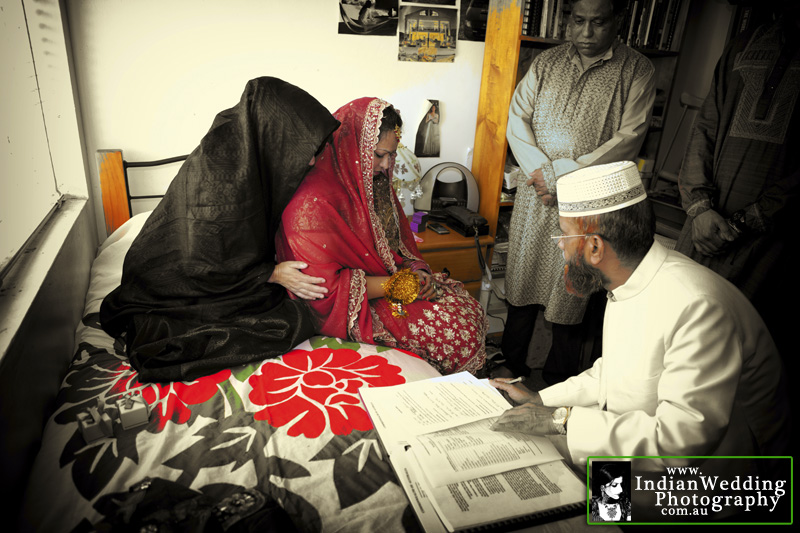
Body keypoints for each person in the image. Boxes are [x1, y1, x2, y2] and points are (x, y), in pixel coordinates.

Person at [491, 161, 790, 475]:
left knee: (565, 501)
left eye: (564, 237)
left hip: (706, 489)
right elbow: (616, 373)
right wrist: (541, 399)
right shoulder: (631, 281)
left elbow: (681, 444)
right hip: (634, 451)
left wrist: (559, 418)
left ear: (594, 246)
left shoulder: (698, 308)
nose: (561, 249)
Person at [100, 77, 340, 383]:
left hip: (231, 277)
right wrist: (273, 274)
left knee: (289, 313)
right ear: (274, 135)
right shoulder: (215, 180)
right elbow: (196, 259)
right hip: (172, 283)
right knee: (282, 324)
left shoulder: (259, 166)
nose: (310, 160)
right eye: (303, 148)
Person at [500, 0, 656, 384]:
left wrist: (559, 175)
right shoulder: (545, 63)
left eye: (598, 23)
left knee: (573, 288)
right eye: (578, 20)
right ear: (567, 19)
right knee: (521, 284)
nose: (586, 33)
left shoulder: (637, 69)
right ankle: (510, 369)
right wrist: (542, 174)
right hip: (535, 196)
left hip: (587, 201)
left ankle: (559, 382)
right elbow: (516, 119)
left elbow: (628, 139)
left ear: (617, 21)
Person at [276, 97, 487, 375]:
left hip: (386, 282)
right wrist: (396, 284)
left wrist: (418, 272)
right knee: (454, 332)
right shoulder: (310, 204)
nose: (387, 165)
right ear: (353, 147)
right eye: (379, 155)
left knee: (468, 308)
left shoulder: (372, 182)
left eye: (392, 154)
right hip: (352, 303)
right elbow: (321, 291)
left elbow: (399, 245)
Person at [675, 6, 799, 365]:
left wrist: (745, 222)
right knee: (675, 324)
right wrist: (698, 207)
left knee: (737, 353)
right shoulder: (744, 44)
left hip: (770, 240)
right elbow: (704, 127)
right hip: (703, 225)